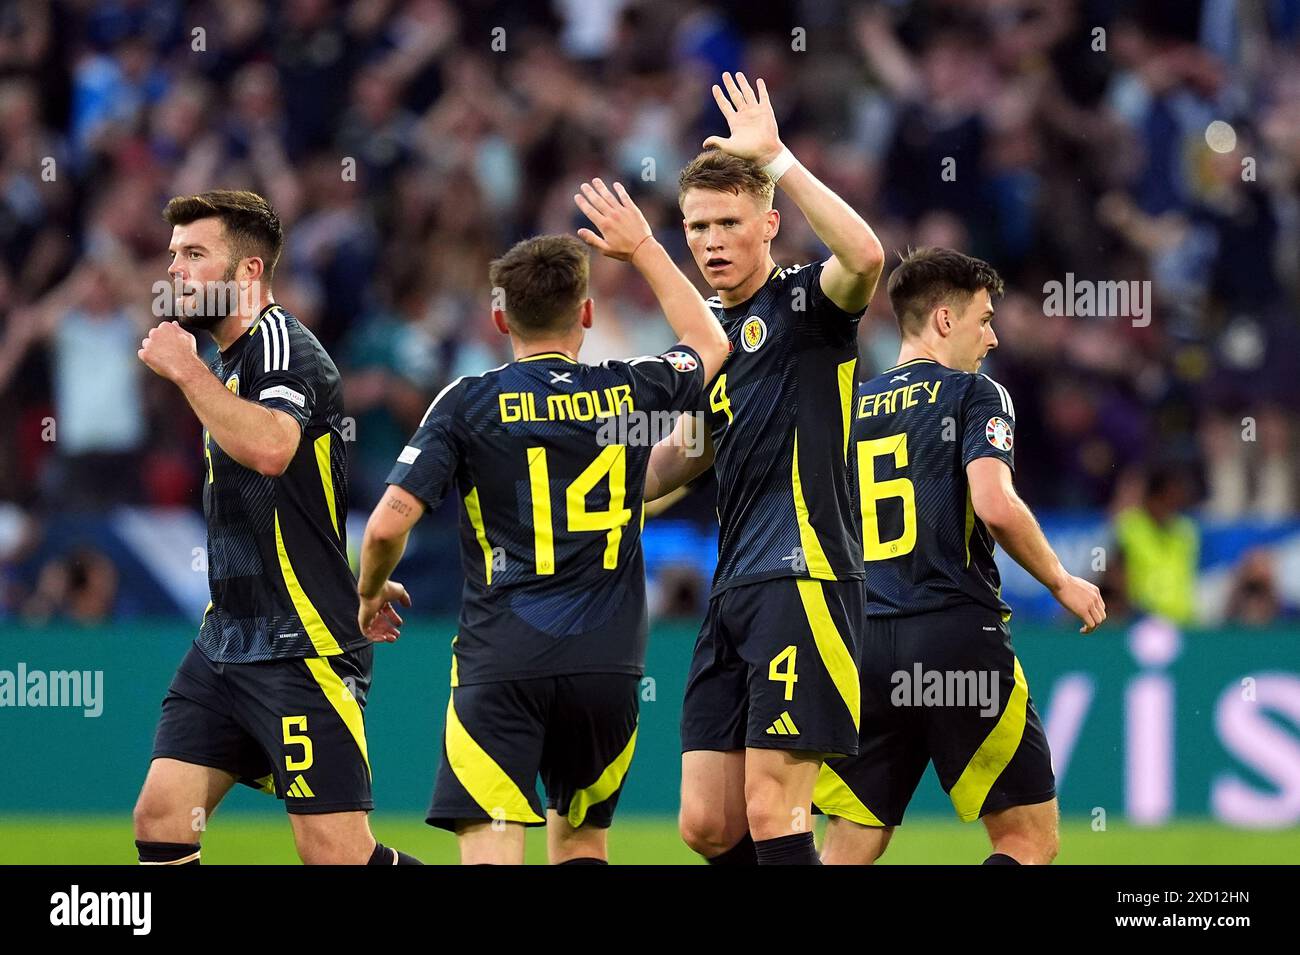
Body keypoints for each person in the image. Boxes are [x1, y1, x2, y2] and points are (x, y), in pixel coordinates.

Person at [356, 180, 729, 864]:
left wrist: (369, 590)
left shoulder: (468, 401)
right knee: (584, 841)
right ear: (585, 312)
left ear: (501, 321)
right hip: (609, 666)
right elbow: (709, 339)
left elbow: (384, 526)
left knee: (493, 842)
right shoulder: (628, 388)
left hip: (503, 660)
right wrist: (643, 246)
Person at [132, 190, 419, 865]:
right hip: (227, 636)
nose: (175, 270)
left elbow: (272, 448)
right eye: (174, 254)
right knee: (163, 814)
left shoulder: (283, 344)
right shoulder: (227, 359)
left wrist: (186, 370)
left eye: (196, 254)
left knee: (337, 853)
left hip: (302, 642)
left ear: (249, 272)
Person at [644, 72, 885, 865]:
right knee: (709, 824)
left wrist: (778, 156)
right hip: (734, 588)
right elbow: (685, 453)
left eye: (727, 223)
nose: (710, 242)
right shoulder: (711, 341)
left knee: (775, 807)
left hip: (804, 576)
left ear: (769, 224)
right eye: (695, 227)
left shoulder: (808, 306)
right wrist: (600, 498)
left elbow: (866, 254)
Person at [817, 247, 1106, 865]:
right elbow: (995, 505)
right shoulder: (975, 394)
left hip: (862, 643)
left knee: (847, 848)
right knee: (1027, 840)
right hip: (953, 635)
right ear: (945, 320)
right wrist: (1060, 581)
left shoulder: (848, 410)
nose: (994, 336)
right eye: (984, 319)